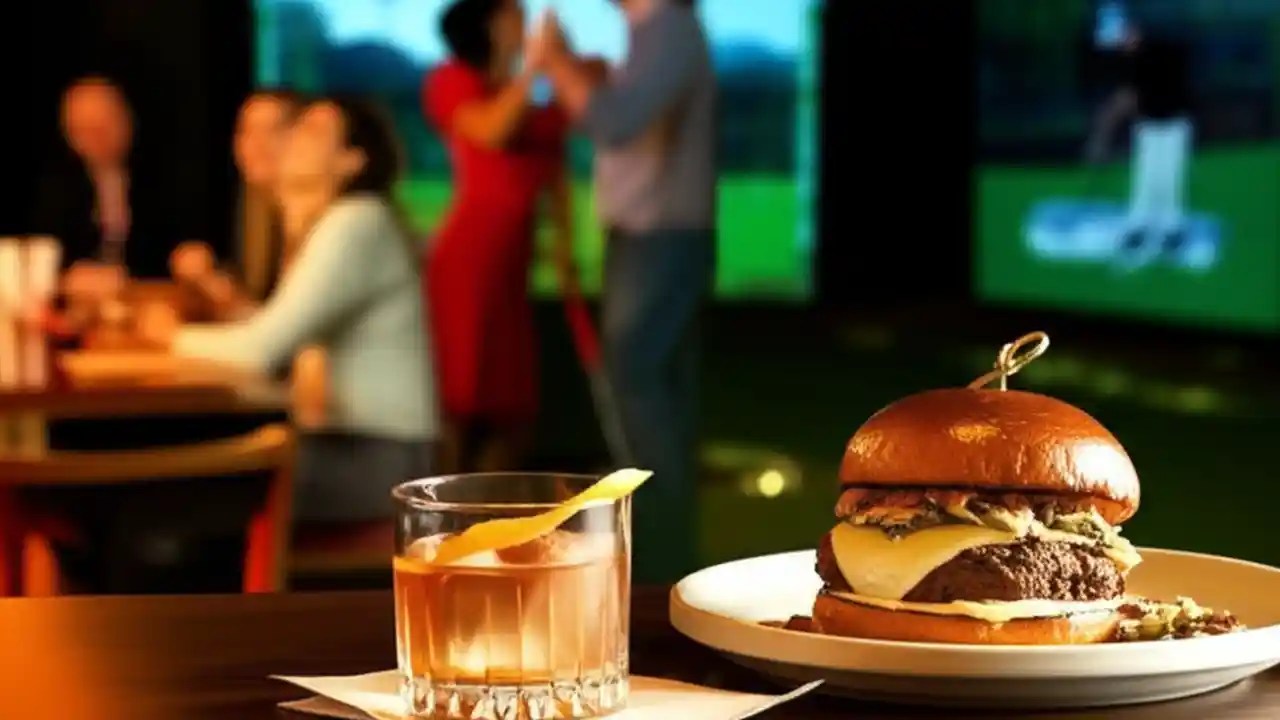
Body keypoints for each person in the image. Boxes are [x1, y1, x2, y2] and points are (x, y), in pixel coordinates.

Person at [143, 96, 439, 523]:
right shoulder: (342, 221)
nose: (294, 140)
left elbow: (262, 349)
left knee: (168, 495)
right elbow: (274, 332)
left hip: (380, 462)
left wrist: (169, 335)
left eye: (314, 131)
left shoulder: (356, 222)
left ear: (352, 160)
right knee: (176, 487)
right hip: (359, 450)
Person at [530, 0, 716, 582]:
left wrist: (556, 62)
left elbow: (616, 123)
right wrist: (584, 75)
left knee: (641, 393)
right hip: (651, 238)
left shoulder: (666, 26)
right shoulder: (653, 30)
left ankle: (659, 567)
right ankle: (664, 563)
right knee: (650, 394)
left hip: (657, 239)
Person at [424, 0, 575, 473]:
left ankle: (488, 508)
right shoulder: (452, 80)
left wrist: (565, 246)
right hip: (470, 258)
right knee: (461, 398)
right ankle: (445, 502)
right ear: (487, 23)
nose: (523, 24)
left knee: (513, 408)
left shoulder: (528, 94)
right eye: (513, 16)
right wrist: (533, 68)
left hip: (513, 262)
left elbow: (556, 174)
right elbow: (491, 131)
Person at [31, 76, 191, 280]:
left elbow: (175, 248)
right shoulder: (56, 186)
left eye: (105, 126)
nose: (97, 139)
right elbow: (44, 254)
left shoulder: (163, 177)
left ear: (128, 120)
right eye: (84, 130)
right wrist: (71, 275)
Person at [172, 90, 303, 318]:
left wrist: (216, 289)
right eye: (246, 132)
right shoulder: (255, 204)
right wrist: (209, 277)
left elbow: (288, 325)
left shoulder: (319, 217)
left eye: (272, 131)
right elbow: (256, 298)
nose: (256, 144)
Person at [1086, 25, 1193, 270]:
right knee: (1146, 175)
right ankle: (1140, 227)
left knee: (1169, 175)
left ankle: (1171, 230)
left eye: (1124, 39)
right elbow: (1126, 98)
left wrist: (1101, 137)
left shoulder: (1155, 53)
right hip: (1148, 124)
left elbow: (1126, 98)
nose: (1123, 45)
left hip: (1174, 122)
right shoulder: (1131, 60)